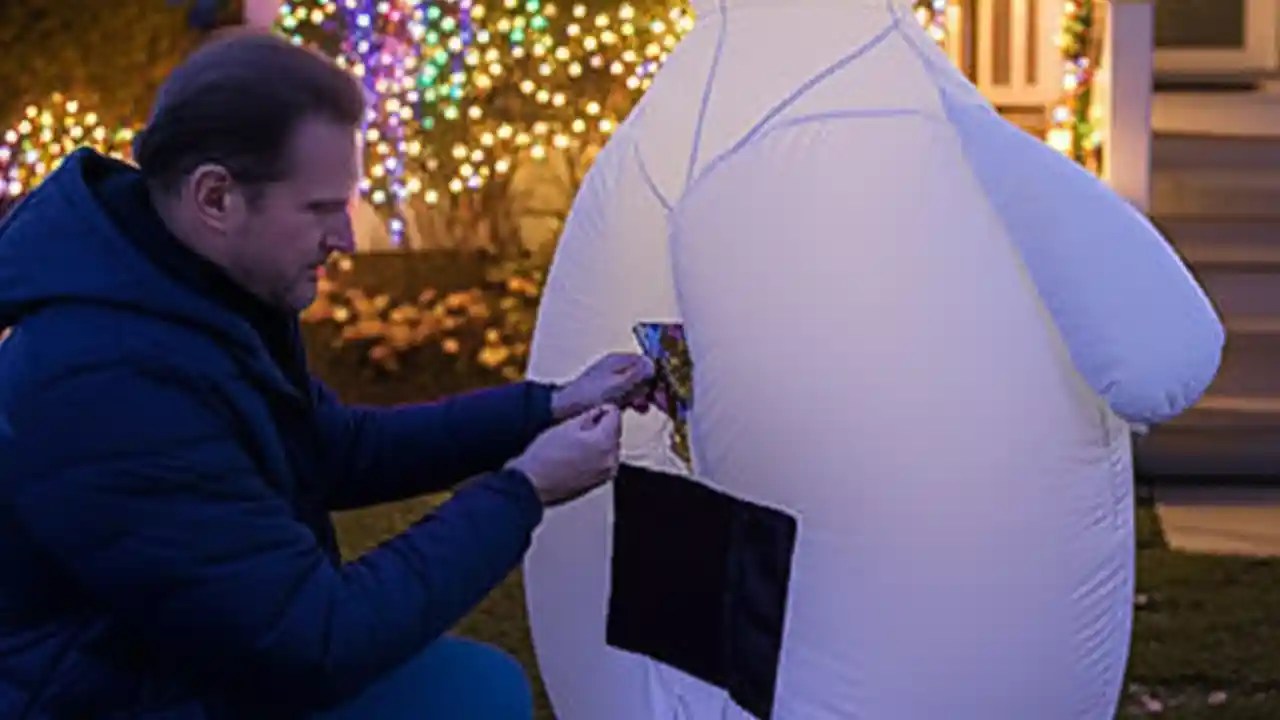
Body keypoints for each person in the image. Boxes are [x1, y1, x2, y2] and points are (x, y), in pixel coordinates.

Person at [0, 30, 654, 719]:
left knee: (476, 686)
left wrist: (547, 407)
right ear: (216, 198)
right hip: (117, 698)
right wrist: (523, 491)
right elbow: (313, 641)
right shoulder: (103, 379)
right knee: (471, 697)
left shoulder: (190, 293)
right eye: (320, 208)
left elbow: (334, 448)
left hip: (192, 666)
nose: (345, 237)